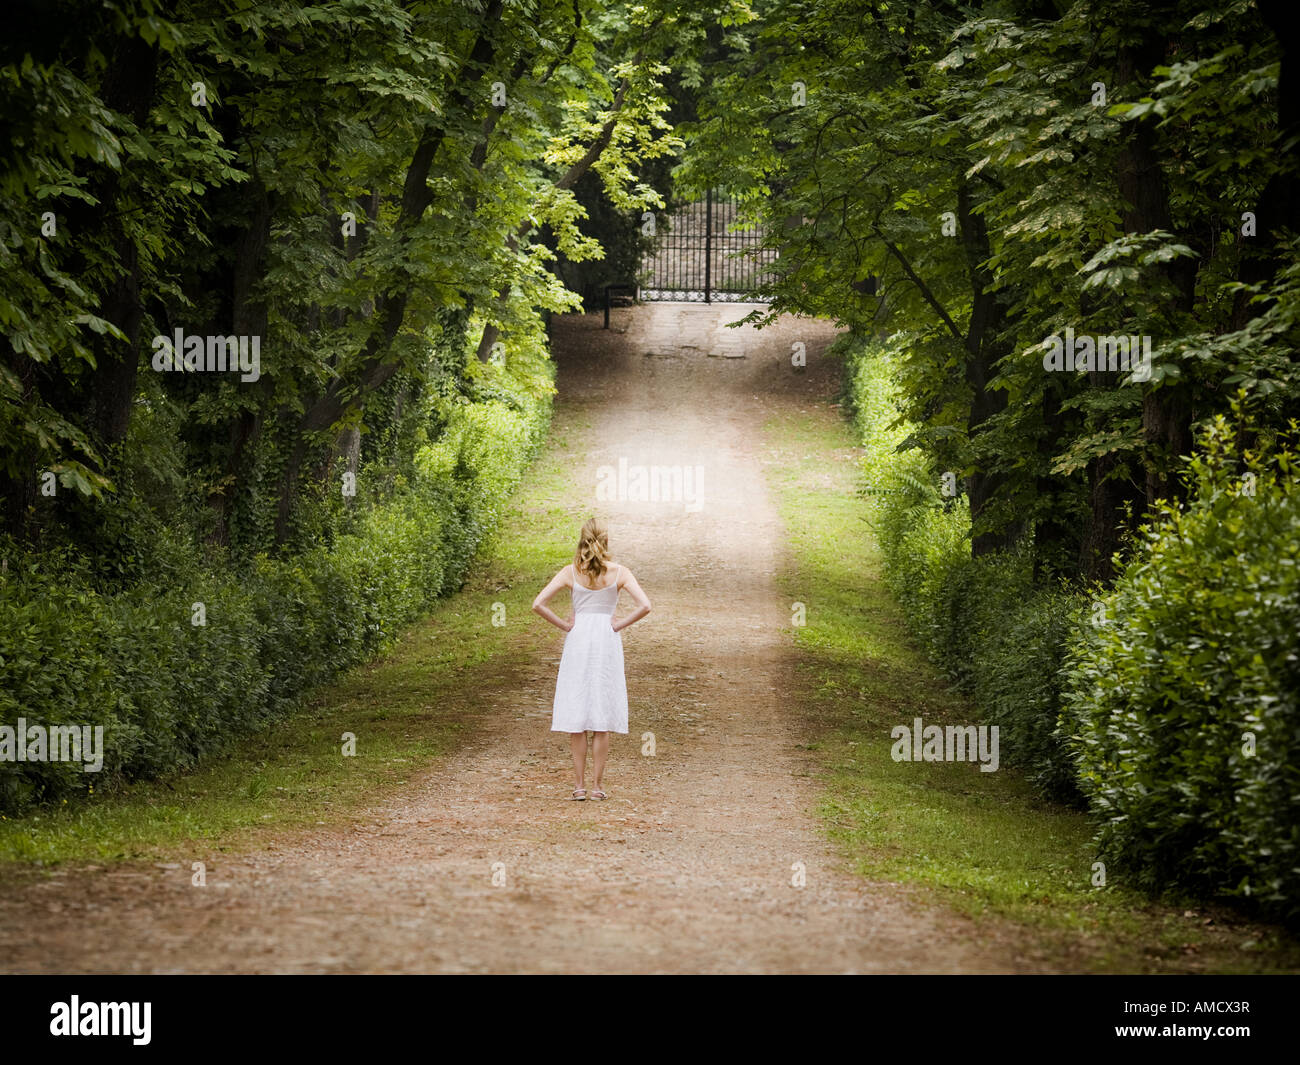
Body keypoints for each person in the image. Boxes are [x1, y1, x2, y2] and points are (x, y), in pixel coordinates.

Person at [532, 518, 651, 800]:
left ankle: (579, 786)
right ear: (606, 542)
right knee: (601, 712)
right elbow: (645, 605)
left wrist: (564, 625)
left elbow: (538, 604)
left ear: (581, 541)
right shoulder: (620, 572)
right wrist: (619, 624)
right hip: (606, 639)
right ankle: (598, 786)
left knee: (578, 710)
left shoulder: (570, 572)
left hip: (579, 638)